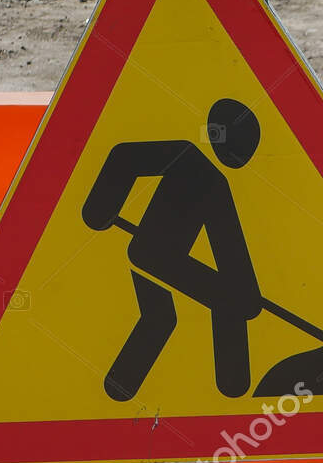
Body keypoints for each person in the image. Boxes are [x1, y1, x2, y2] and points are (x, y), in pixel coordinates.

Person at [81, 98, 263, 402]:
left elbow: (229, 251)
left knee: (161, 317)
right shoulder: (187, 158)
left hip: (150, 255)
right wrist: (100, 209)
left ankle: (231, 385)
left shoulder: (212, 181)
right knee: (204, 306)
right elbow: (124, 159)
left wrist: (99, 210)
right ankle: (233, 384)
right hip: (153, 254)